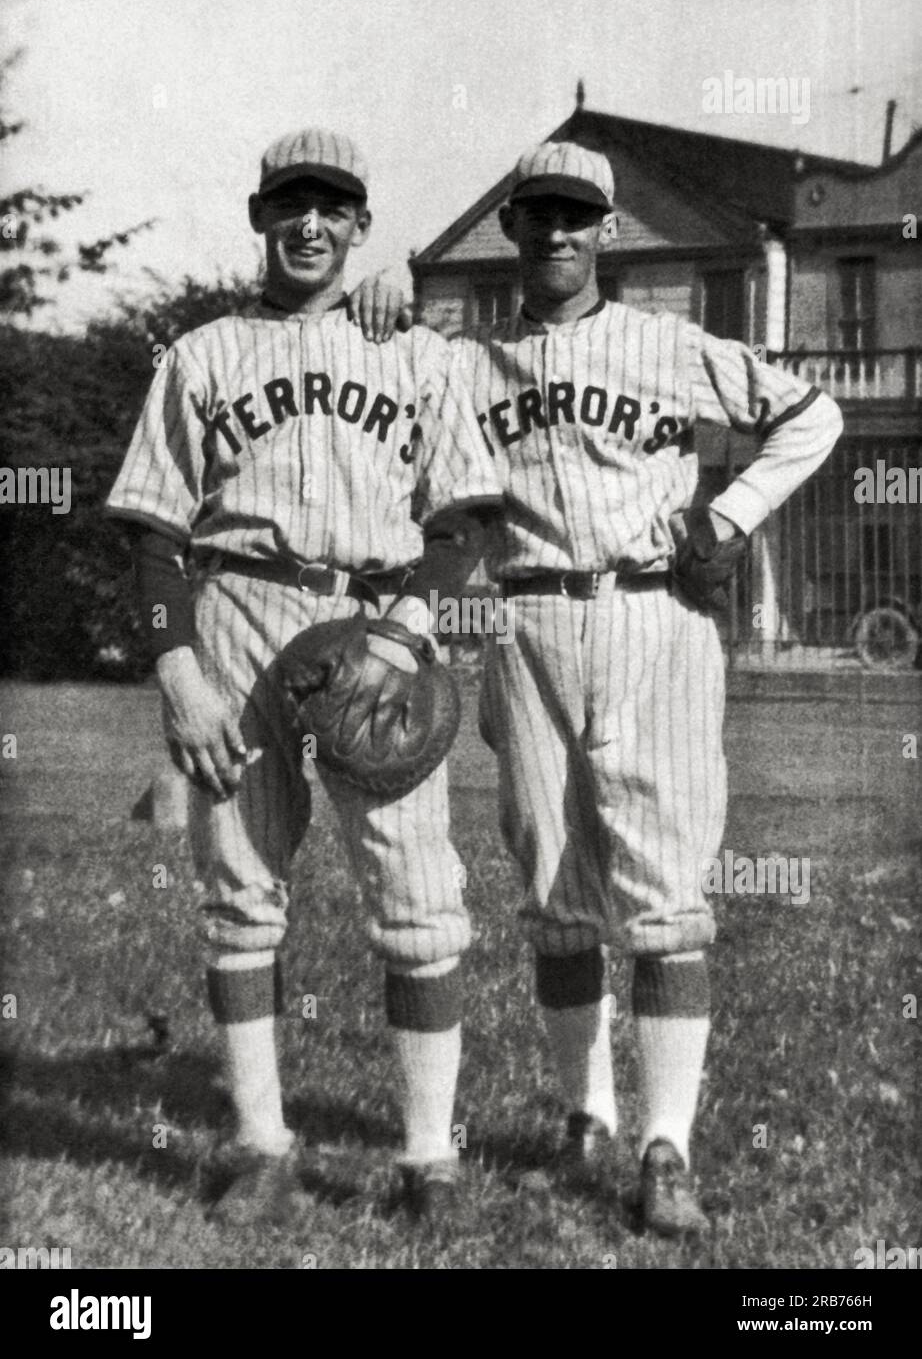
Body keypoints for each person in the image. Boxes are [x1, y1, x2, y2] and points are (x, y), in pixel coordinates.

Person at [352, 139, 843, 1235]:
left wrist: (730, 514)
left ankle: (666, 1145)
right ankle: (588, 1116)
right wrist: (376, 290)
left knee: (664, 892)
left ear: (608, 233)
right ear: (512, 230)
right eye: (540, 215)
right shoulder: (464, 361)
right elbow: (361, 363)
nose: (559, 233)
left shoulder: (668, 345)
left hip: (650, 614)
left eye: (579, 216)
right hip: (525, 620)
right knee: (555, 884)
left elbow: (813, 417)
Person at [106, 128, 501, 1226]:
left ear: (362, 225)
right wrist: (176, 668)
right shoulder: (197, 356)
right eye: (291, 203)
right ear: (258, 215)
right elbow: (151, 531)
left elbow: (462, 515)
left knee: (419, 897)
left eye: (333, 205)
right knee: (238, 891)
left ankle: (430, 1158)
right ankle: (261, 1142)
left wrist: (408, 624)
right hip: (233, 608)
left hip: (371, 620)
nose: (311, 223)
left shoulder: (414, 351)